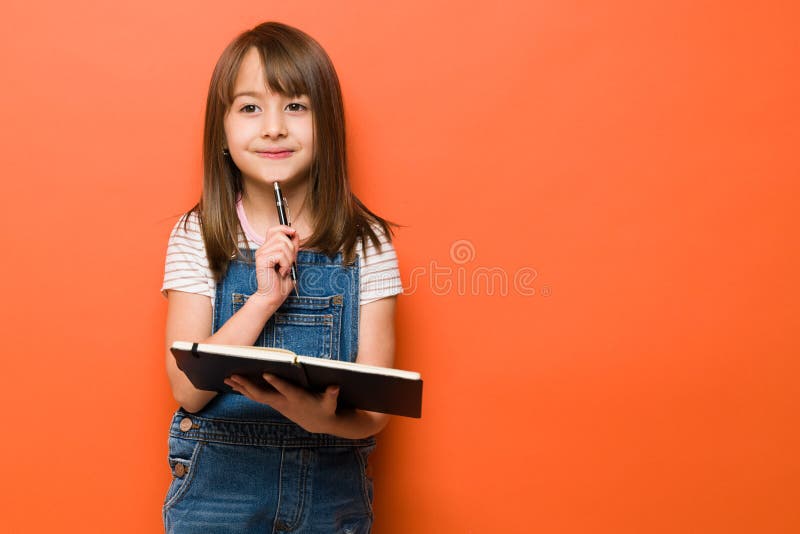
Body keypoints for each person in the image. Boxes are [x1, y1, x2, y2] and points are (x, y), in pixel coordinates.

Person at [160, 21, 402, 533]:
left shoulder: (368, 242)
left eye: (296, 106)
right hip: (217, 492)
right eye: (250, 107)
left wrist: (317, 418)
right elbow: (188, 390)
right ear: (221, 130)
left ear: (327, 124)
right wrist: (263, 299)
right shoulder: (198, 234)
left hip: (331, 488)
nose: (273, 127)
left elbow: (376, 411)